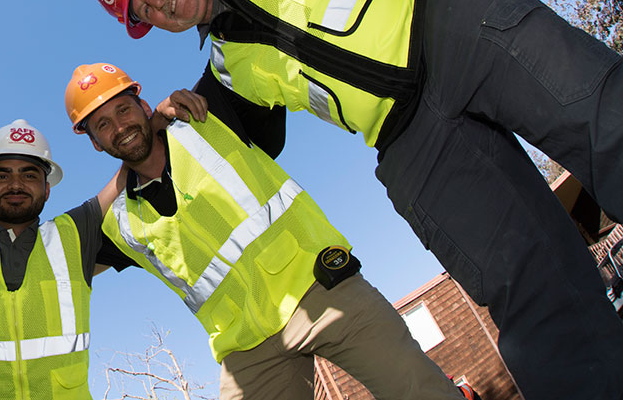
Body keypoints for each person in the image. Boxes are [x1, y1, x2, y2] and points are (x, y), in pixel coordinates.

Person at [86, 0, 623, 400]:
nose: (157, 3)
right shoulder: (222, 74)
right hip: (409, 138)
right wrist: (160, 120)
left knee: (607, 127)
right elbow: (182, 149)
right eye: (142, 11)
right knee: (531, 289)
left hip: (450, 20)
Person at [64, 62, 464, 400]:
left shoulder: (207, 112)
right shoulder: (118, 223)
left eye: (123, 110)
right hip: (246, 350)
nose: (119, 126)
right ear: (96, 143)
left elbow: (234, 32)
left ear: (143, 104)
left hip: (320, 290)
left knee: (421, 391)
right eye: (102, 124)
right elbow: (45, 259)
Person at [0, 121, 129, 399]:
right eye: (2, 176)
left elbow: (129, 174)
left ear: (47, 188)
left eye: (29, 175)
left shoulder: (76, 234)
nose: (15, 184)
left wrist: (159, 119)